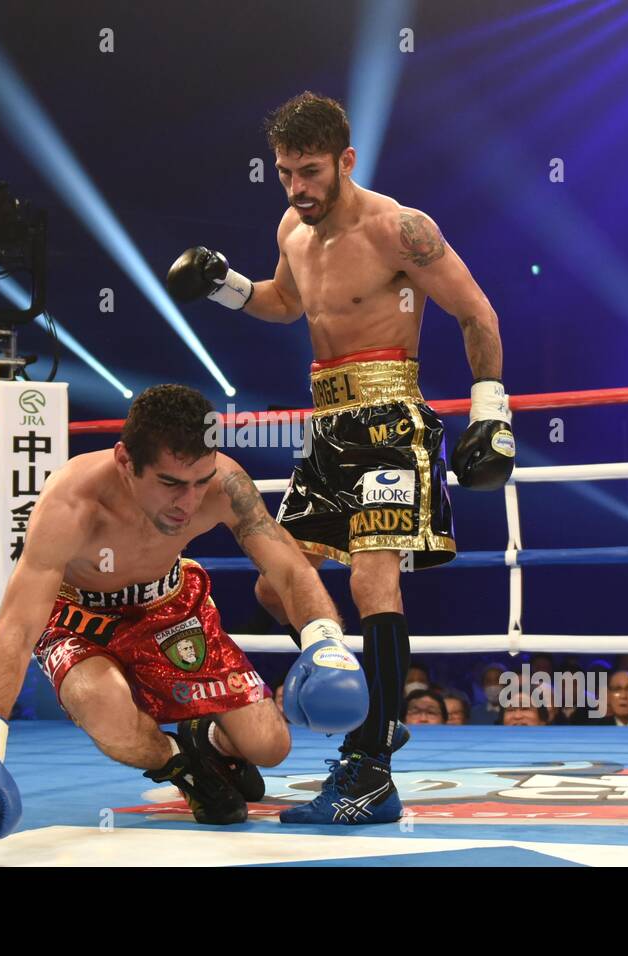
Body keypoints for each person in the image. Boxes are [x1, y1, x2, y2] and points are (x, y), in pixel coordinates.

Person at [165, 91, 513, 824]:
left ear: (346, 161)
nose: (298, 187)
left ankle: (373, 759)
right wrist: (222, 286)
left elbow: (476, 311)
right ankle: (364, 705)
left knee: (369, 579)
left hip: (391, 418)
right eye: (286, 172)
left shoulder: (401, 230)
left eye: (311, 171)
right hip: (328, 423)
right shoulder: (293, 225)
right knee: (278, 587)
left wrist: (490, 411)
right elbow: (285, 304)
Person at [0, 385, 368, 854]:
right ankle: (181, 765)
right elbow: (16, 628)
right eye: (171, 483)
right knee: (104, 708)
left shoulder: (225, 485)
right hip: (78, 617)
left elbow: (287, 567)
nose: (188, 502)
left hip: (170, 607)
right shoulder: (72, 503)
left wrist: (324, 640)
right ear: (124, 460)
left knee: (269, 746)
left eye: (200, 481)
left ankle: (209, 742)